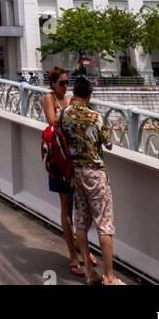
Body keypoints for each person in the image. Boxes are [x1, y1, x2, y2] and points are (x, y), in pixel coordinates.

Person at [61, 75, 122, 286]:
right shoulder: (94, 117)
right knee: (104, 224)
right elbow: (108, 143)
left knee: (81, 222)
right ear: (89, 94)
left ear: (73, 93)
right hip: (95, 173)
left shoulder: (65, 115)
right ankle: (109, 276)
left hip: (75, 174)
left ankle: (89, 272)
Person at [43, 67, 90, 280]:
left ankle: (83, 250)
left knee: (81, 205)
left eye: (66, 82)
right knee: (66, 207)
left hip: (75, 158)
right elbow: (53, 122)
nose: (65, 86)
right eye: (61, 83)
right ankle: (73, 257)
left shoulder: (70, 100)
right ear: (53, 84)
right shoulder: (49, 98)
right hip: (60, 160)